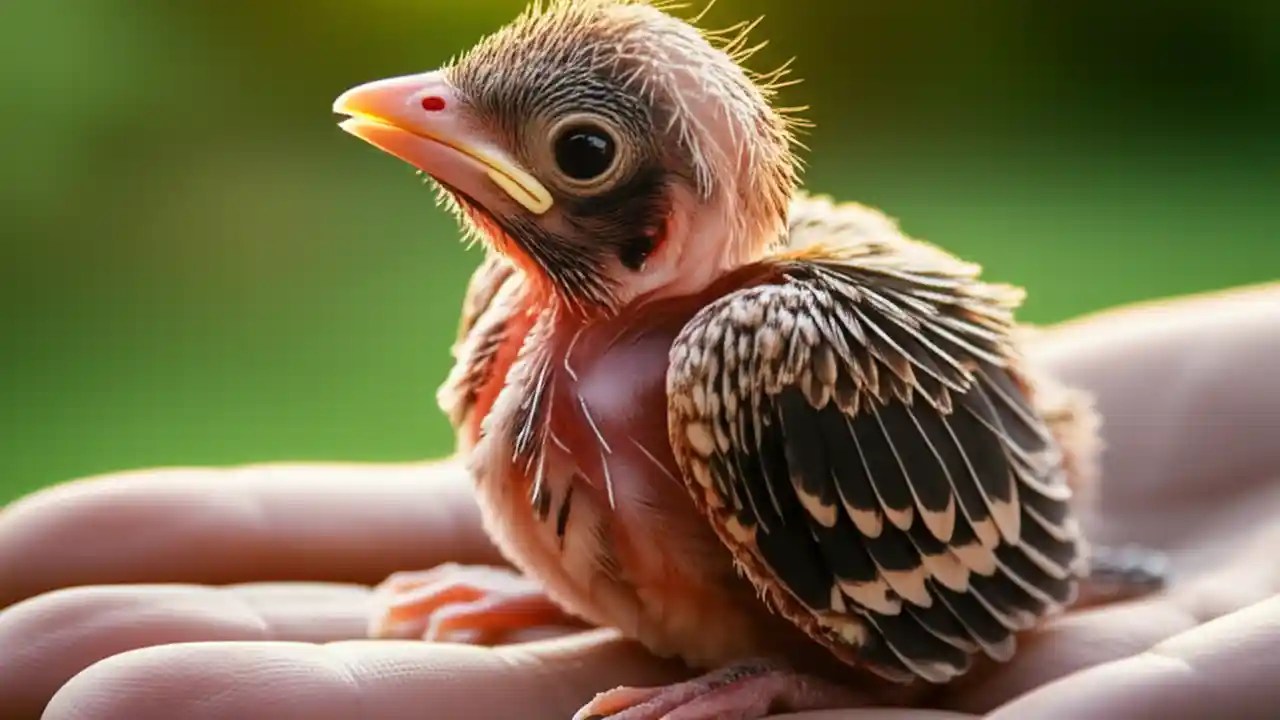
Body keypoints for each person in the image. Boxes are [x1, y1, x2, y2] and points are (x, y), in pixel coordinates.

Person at [0, 285, 1276, 720]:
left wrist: (812, 675)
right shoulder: (522, 323)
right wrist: (567, 575)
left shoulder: (752, 368)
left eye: (583, 154)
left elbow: (941, 592)